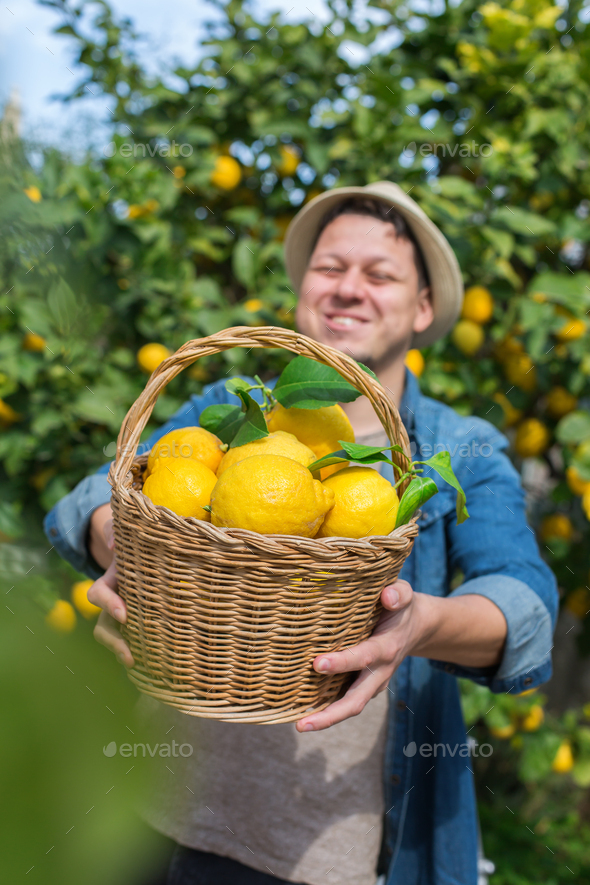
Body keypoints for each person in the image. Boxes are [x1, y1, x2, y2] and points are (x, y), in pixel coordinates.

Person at [44, 181, 558, 885]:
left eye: (380, 275)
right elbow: (99, 497)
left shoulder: (453, 446)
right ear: (301, 288)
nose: (350, 288)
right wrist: (124, 550)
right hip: (150, 809)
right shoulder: (233, 408)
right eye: (330, 267)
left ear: (424, 307)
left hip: (319, 849)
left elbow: (525, 600)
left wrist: (419, 624)